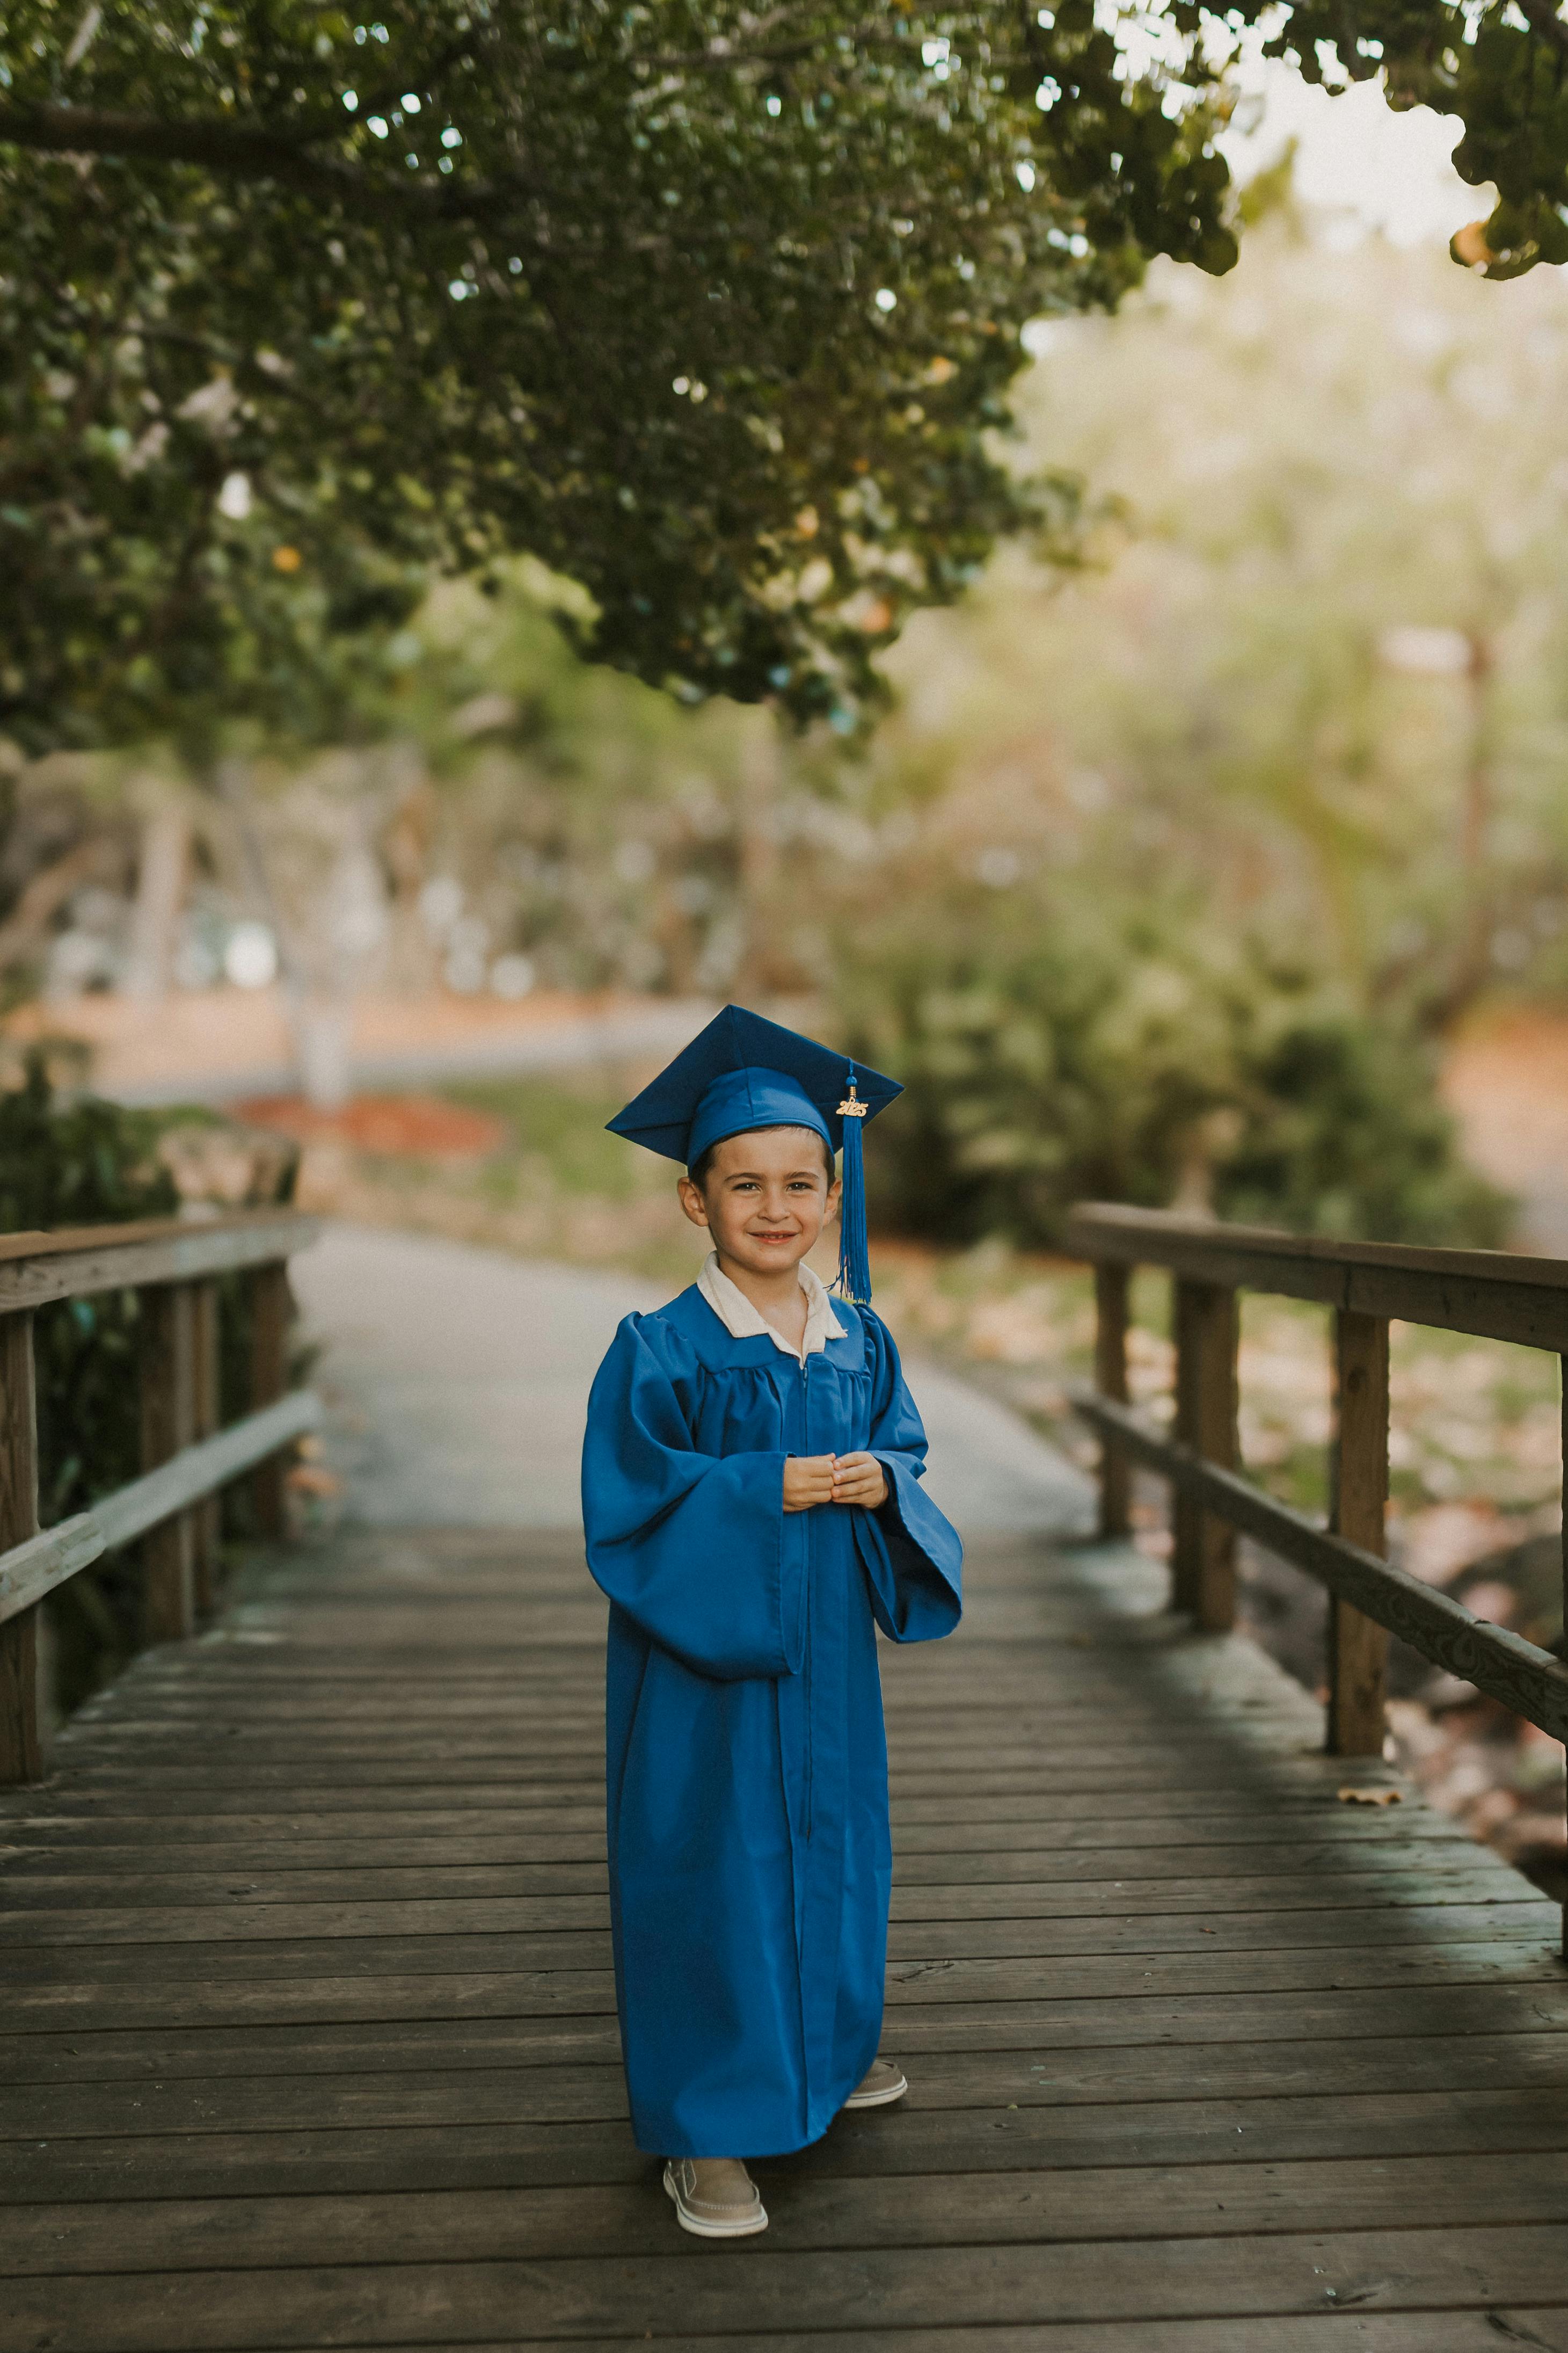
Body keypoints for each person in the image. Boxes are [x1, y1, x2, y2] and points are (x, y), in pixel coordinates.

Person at [581, 1004, 963, 2239]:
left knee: (838, 1847)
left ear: (833, 1188)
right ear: (696, 1201)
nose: (776, 1207)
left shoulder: (862, 1338)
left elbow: (903, 1448)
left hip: (830, 1669)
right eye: (744, 1184)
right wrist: (767, 1484)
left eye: (802, 1181)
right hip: (707, 1670)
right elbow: (629, 1503)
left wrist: (881, 1481)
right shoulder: (661, 1350)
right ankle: (709, 2132)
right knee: (713, 1870)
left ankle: (825, 2045)